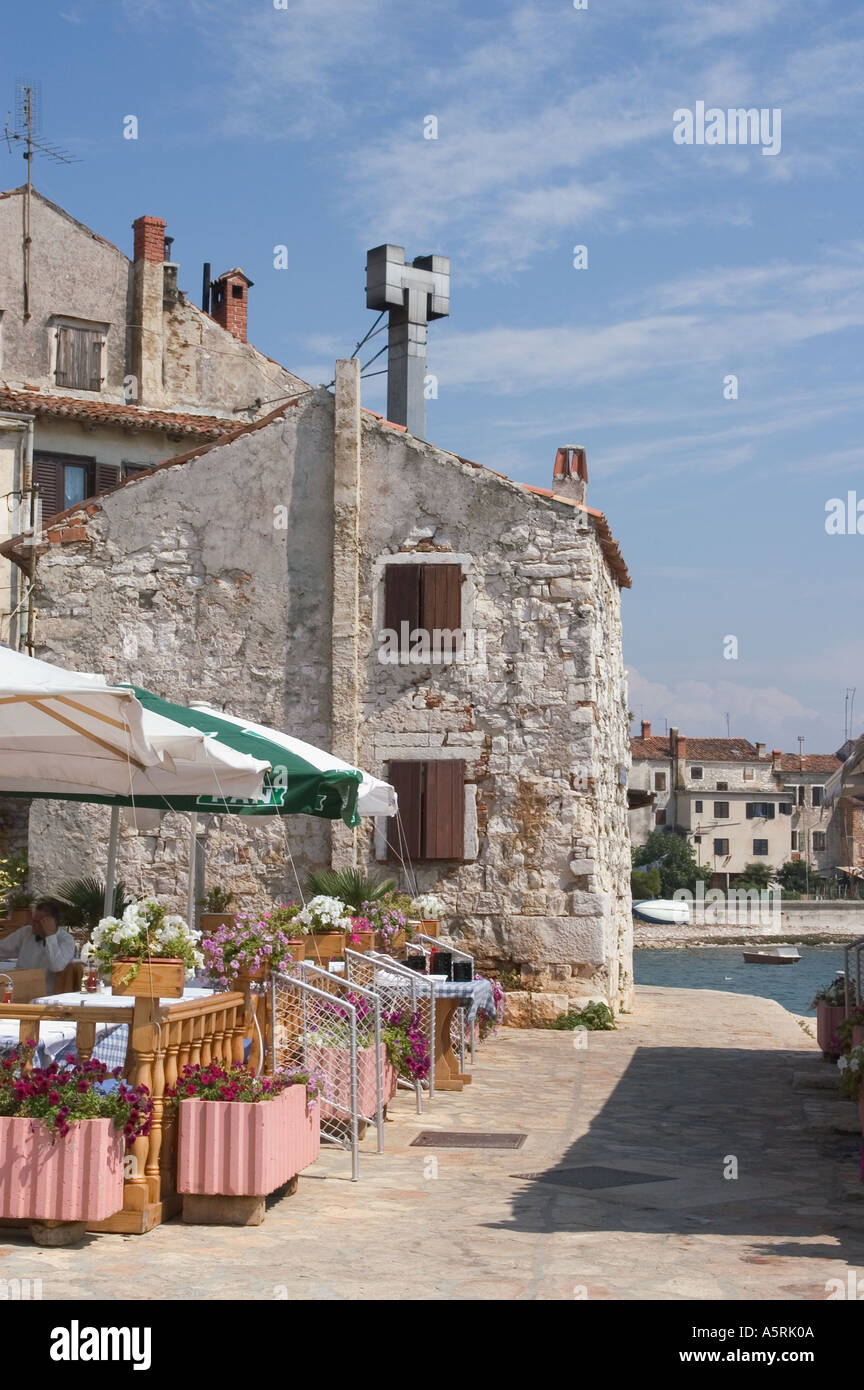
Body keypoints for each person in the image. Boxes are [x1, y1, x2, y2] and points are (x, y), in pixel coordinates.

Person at [0, 898, 76, 992]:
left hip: (45, 996)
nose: (32, 924)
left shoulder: (66, 940)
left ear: (49, 922)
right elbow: (2, 949)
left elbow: (56, 966)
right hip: (19, 989)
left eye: (36, 922)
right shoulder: (26, 932)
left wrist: (50, 936)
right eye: (33, 920)